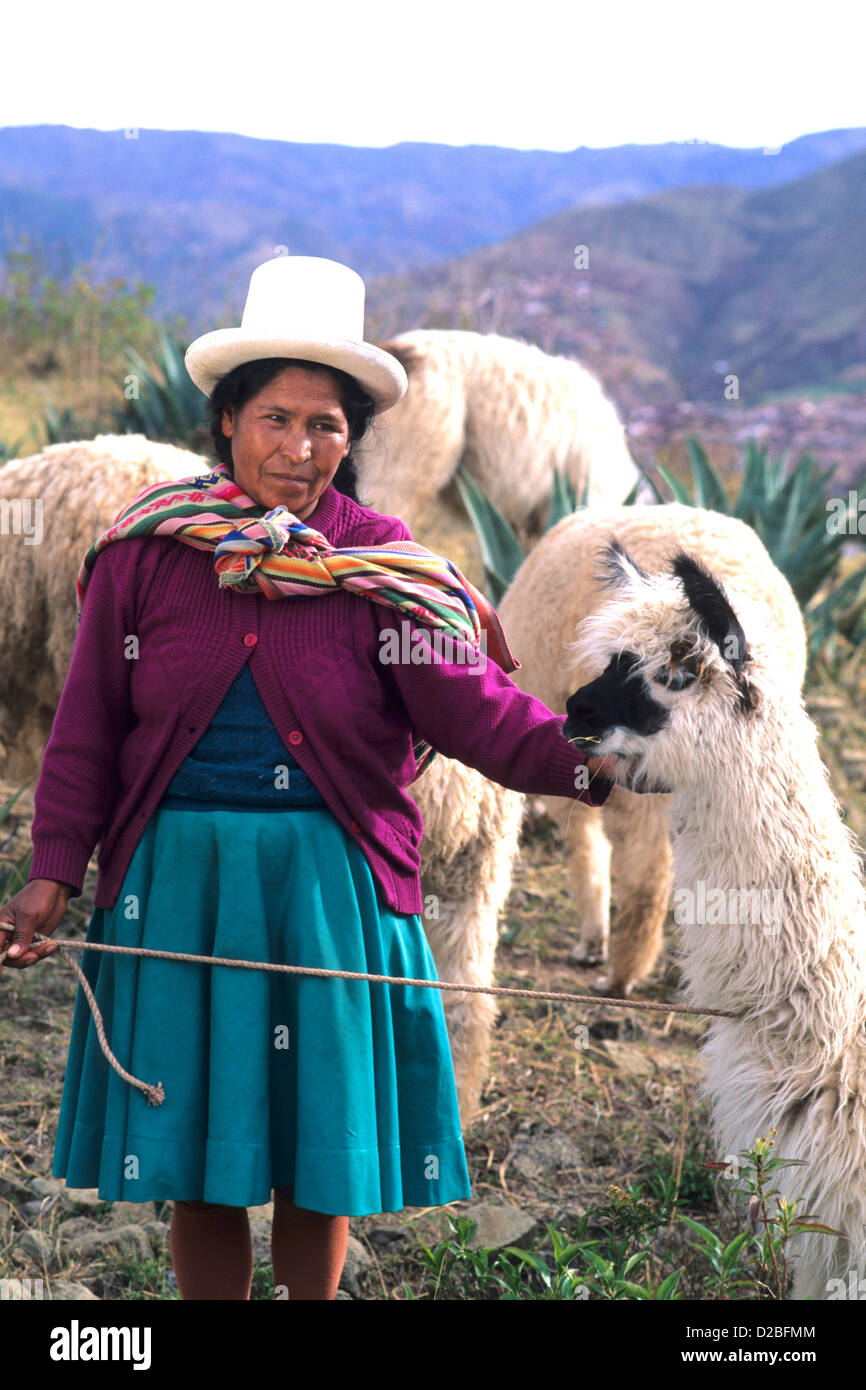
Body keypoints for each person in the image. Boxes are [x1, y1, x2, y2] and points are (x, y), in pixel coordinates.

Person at [0, 254, 621, 1301]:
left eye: (325, 425)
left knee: (314, 1158)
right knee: (197, 1158)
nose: (299, 448)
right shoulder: (145, 555)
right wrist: (53, 871)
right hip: (179, 888)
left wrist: (595, 762)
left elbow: (472, 708)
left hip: (329, 893)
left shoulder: (386, 570)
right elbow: (88, 729)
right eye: (275, 419)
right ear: (228, 420)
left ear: (353, 436)